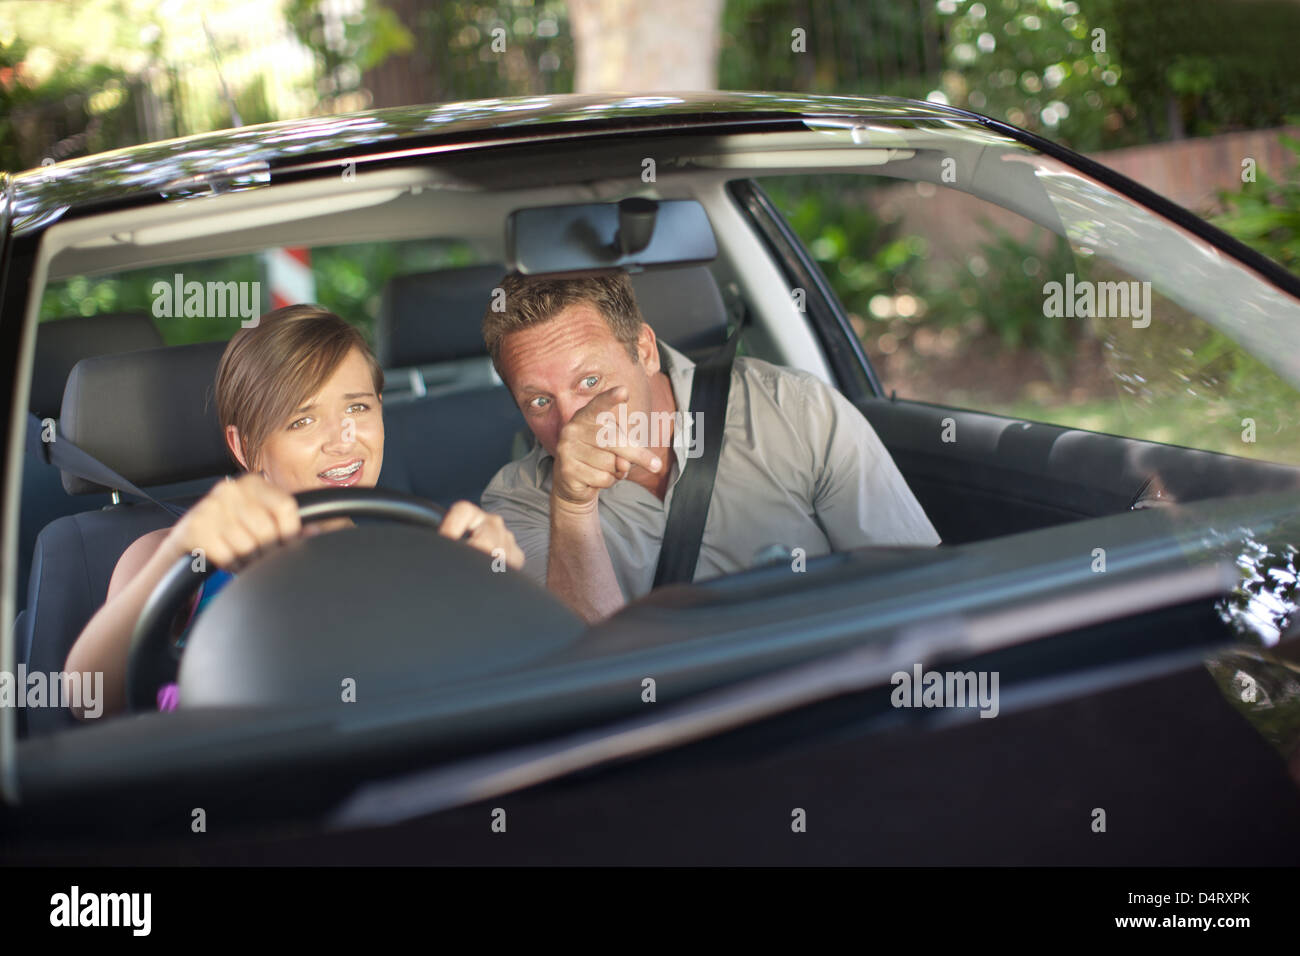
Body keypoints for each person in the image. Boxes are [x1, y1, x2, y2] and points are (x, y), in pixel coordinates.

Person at [65, 304, 524, 719]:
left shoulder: (423, 549)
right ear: (245, 446)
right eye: (302, 420)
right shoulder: (168, 554)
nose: (342, 439)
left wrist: (494, 582)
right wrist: (181, 552)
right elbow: (87, 700)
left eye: (358, 407)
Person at [479, 271, 940, 623]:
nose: (571, 422)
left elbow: (921, 591)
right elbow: (592, 676)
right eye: (539, 401)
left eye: (590, 381)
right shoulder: (516, 504)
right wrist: (573, 504)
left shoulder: (794, 410)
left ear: (644, 349)